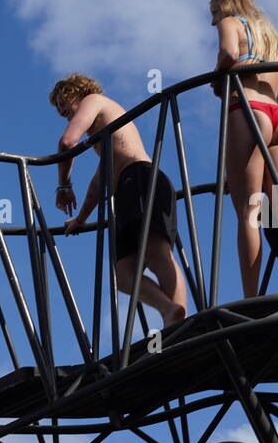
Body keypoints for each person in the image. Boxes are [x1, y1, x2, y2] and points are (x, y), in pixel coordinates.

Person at [51, 75, 186, 328]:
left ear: (78, 92)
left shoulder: (94, 100)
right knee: (123, 275)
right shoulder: (106, 138)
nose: (61, 110)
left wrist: (64, 184)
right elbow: (99, 182)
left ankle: (183, 325)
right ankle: (170, 310)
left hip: (141, 179)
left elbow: (68, 142)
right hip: (126, 187)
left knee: (157, 254)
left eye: (62, 100)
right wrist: (80, 219)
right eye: (58, 108)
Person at [209, 0, 278, 295]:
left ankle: (250, 297)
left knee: (249, 209)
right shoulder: (273, 36)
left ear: (224, 7)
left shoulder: (232, 22)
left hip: (248, 110)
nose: (214, 21)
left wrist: (219, 74)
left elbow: (229, 53)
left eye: (214, 14)